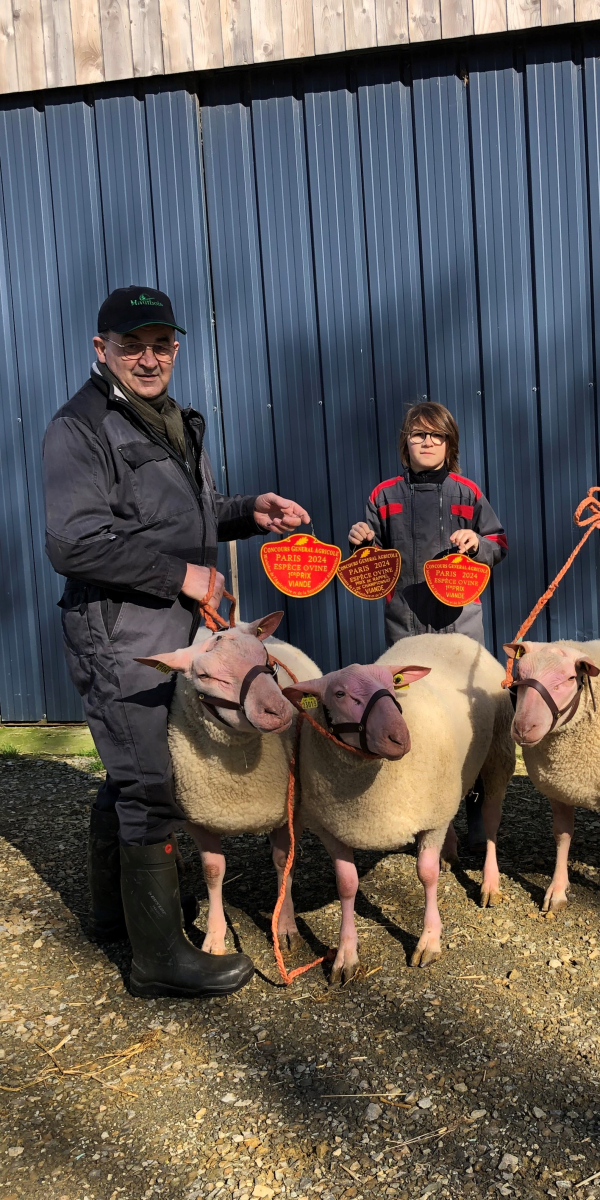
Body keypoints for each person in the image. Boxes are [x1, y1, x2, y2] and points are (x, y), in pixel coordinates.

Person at [42, 286, 311, 999]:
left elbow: (178, 517)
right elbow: (72, 543)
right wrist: (181, 575)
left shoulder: (172, 420)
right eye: (133, 345)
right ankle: (157, 956)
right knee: (149, 786)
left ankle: (112, 917)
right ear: (101, 350)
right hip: (121, 634)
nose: (150, 357)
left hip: (172, 625)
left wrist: (248, 512)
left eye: (162, 343)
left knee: (132, 770)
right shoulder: (80, 428)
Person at [348, 402, 507, 846]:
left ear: (449, 444)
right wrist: (360, 540)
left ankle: (475, 803)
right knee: (415, 714)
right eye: (419, 435)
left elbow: (499, 540)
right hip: (406, 624)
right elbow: (371, 559)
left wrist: (478, 542)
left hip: (460, 627)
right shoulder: (383, 496)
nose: (427, 442)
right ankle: (429, 813)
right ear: (406, 443)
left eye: (436, 436)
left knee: (469, 715)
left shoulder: (468, 494)